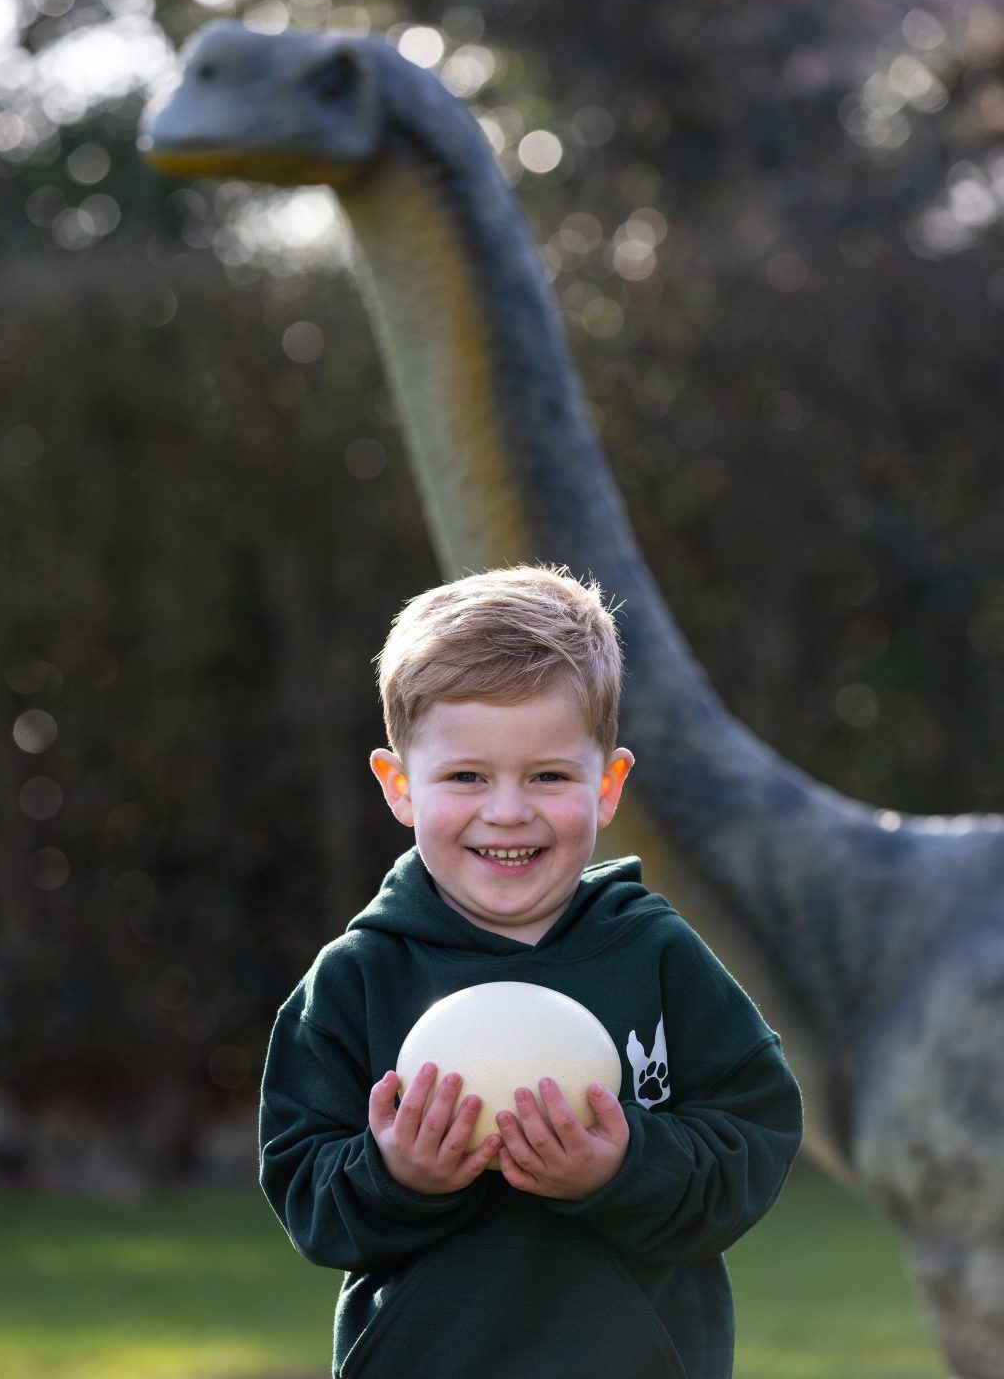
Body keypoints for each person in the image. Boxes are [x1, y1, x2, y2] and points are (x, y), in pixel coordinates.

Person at [259, 565, 803, 1379]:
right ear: (399, 785)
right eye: (466, 775)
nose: (507, 810)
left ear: (608, 784)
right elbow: (305, 1188)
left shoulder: (656, 954)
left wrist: (626, 1165)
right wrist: (397, 1174)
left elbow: (755, 1132)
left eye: (548, 775)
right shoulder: (357, 976)